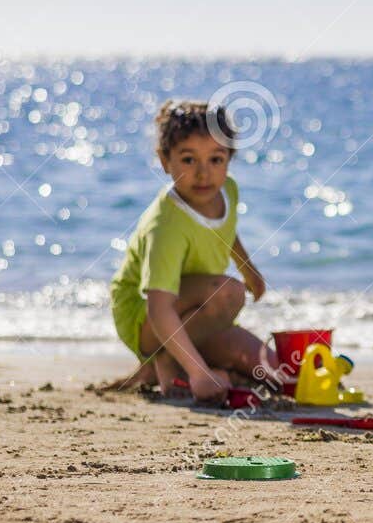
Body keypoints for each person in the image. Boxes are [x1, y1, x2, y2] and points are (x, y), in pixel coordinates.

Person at [108, 100, 273, 400]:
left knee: (269, 367)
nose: (203, 174)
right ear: (164, 161)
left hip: (195, 309)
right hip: (145, 319)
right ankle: (168, 362)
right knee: (229, 294)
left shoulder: (228, 190)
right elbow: (159, 308)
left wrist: (249, 270)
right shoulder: (166, 226)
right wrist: (201, 375)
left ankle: (165, 366)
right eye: (188, 160)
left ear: (229, 159)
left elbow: (225, 230)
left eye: (216, 160)